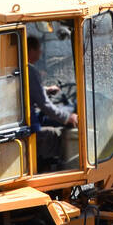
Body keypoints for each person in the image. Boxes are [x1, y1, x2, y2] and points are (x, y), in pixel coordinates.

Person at [27, 34, 77, 170]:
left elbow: (30, 90)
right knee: (55, 133)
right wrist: (67, 117)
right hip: (28, 125)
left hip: (26, 119)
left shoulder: (18, 68)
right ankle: (49, 168)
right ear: (30, 51)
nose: (40, 52)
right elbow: (45, 105)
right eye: (38, 49)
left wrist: (46, 89)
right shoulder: (30, 71)